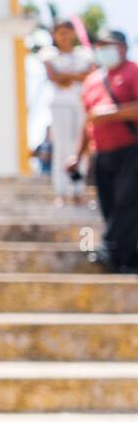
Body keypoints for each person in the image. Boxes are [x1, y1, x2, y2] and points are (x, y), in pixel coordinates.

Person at [70, 29, 138, 273]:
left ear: (122, 48)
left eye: (108, 45)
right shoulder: (92, 80)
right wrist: (76, 156)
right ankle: (128, 260)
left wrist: (112, 113)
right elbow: (87, 122)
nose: (103, 50)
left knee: (127, 201)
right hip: (102, 154)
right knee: (109, 206)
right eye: (100, 45)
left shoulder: (133, 72)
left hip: (131, 150)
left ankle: (109, 249)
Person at [42, 20, 94, 206]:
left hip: (81, 104)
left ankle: (78, 190)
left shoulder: (85, 54)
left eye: (67, 32)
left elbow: (90, 75)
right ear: (54, 35)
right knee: (62, 147)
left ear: (73, 33)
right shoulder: (49, 54)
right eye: (60, 33)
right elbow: (55, 77)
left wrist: (66, 75)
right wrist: (76, 75)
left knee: (80, 148)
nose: (64, 36)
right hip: (60, 106)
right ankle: (61, 191)